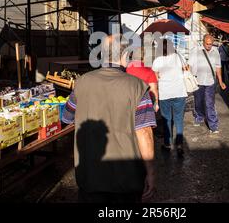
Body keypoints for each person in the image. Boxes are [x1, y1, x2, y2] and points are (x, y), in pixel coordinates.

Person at [62, 34, 156, 203]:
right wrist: (150, 172)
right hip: (127, 178)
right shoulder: (138, 87)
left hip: (89, 176)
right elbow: (144, 133)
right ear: (126, 55)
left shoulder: (81, 82)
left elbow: (67, 118)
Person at [151, 38, 187, 157]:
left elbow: (155, 78)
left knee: (167, 120)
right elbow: (186, 69)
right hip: (180, 93)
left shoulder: (157, 61)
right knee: (178, 120)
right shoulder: (179, 57)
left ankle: (168, 144)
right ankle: (180, 145)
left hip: (165, 94)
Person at [190, 35, 226, 134]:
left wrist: (221, 81)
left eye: (210, 44)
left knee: (210, 103)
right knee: (198, 101)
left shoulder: (216, 52)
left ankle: (213, 125)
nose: (209, 46)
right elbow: (190, 65)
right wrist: (189, 78)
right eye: (207, 44)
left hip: (210, 81)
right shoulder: (196, 50)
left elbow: (218, 67)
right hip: (198, 81)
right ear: (203, 42)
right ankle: (199, 116)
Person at [126, 47, 159, 112]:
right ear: (144, 57)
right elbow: (153, 89)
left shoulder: (126, 68)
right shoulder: (149, 71)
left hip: (128, 102)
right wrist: (156, 103)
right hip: (144, 104)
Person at [218, 40, 229, 109]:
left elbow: (218, 53)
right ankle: (227, 78)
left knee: (225, 70)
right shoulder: (227, 46)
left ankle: (225, 79)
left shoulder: (221, 47)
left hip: (224, 59)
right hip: (225, 59)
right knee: (226, 70)